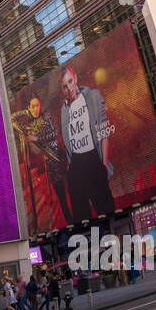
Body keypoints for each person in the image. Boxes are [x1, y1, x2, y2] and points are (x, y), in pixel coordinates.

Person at [59, 65, 115, 220]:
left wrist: (103, 164)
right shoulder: (64, 111)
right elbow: (67, 141)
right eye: (65, 86)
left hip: (93, 160)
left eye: (70, 82)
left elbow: (104, 132)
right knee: (82, 221)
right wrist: (71, 167)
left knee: (107, 212)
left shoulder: (93, 96)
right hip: (76, 166)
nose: (69, 88)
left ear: (75, 78)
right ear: (62, 89)